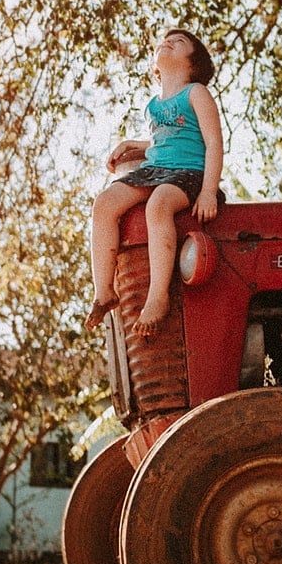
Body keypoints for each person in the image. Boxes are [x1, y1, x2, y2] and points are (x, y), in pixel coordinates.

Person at [87, 28, 223, 337]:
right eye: (165, 40)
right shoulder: (153, 105)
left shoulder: (196, 93)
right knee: (104, 204)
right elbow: (166, 142)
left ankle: (157, 296)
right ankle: (103, 292)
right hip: (157, 168)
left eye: (179, 42)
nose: (168, 42)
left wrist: (209, 192)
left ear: (193, 63)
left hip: (189, 174)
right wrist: (132, 143)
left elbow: (213, 142)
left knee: (159, 204)